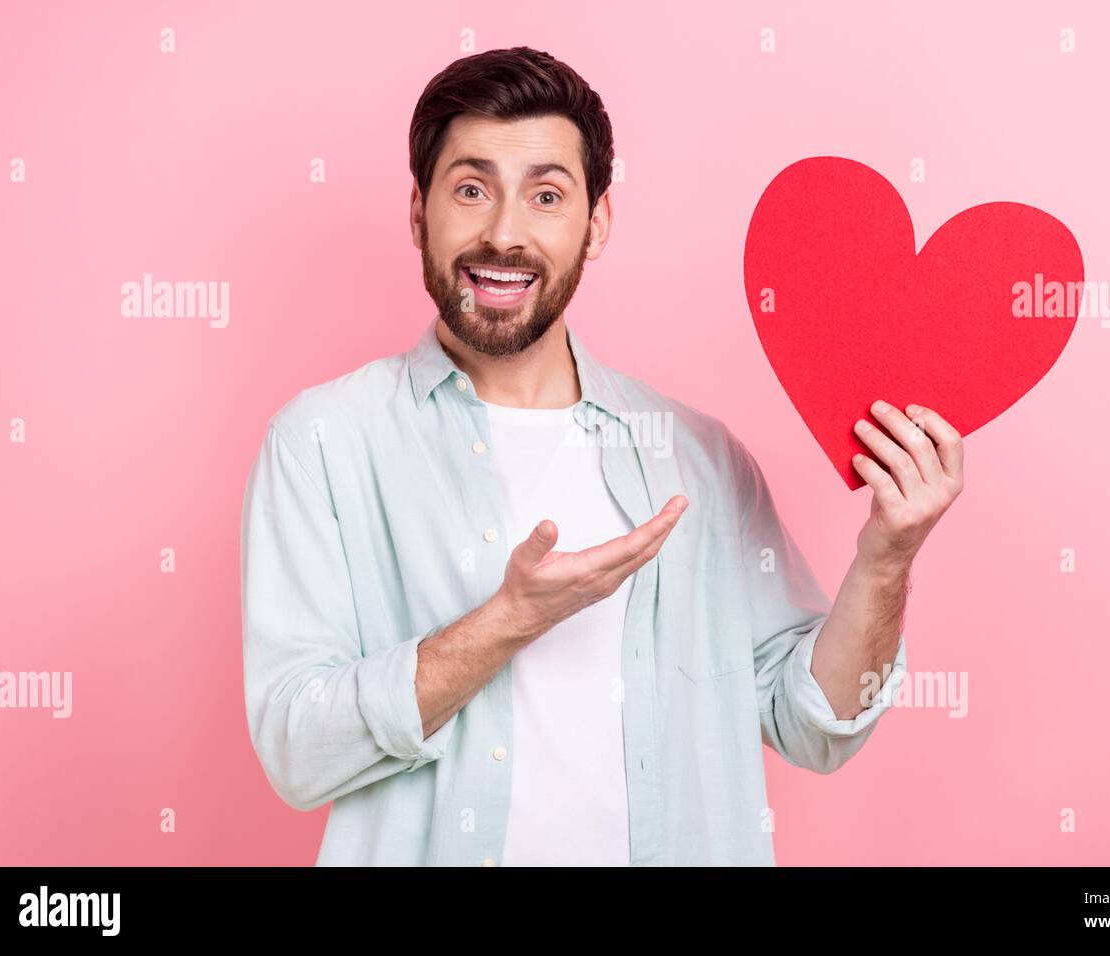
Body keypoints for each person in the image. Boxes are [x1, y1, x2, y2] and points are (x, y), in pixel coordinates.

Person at [240, 46, 965, 866]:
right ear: (418, 211)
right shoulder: (324, 443)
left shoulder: (699, 459)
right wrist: (508, 622)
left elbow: (813, 725)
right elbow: (298, 752)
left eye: (547, 195)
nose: (504, 233)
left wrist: (886, 557)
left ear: (598, 221)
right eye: (470, 189)